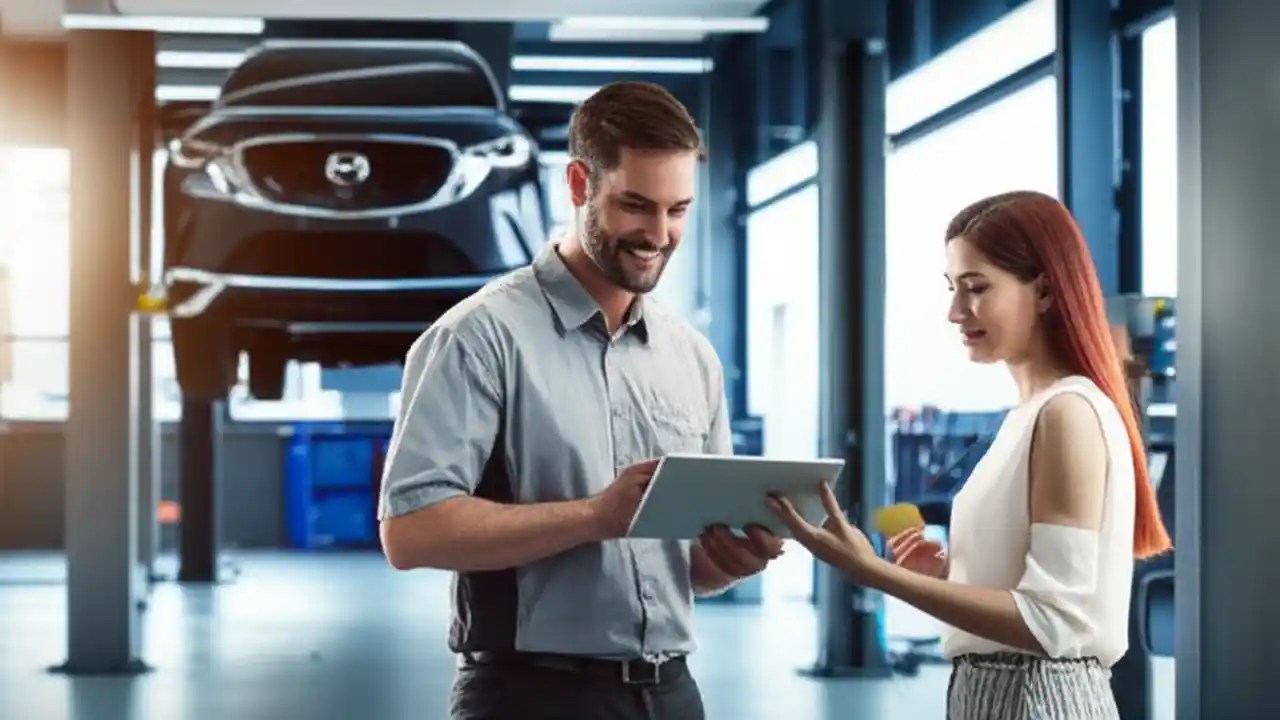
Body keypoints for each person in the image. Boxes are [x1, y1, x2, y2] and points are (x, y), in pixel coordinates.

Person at [377, 81, 784, 720]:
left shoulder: (692, 357)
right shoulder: (479, 337)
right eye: (636, 206)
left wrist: (730, 561)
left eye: (678, 210)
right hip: (530, 697)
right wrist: (595, 516)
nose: (659, 234)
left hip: (672, 694)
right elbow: (410, 531)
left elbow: (690, 569)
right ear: (577, 184)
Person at [770, 190, 1172, 719]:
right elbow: (1030, 603)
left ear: (1045, 291)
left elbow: (1054, 621)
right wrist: (949, 578)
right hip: (996, 693)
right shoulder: (1029, 416)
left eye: (976, 288)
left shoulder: (1067, 414)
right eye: (953, 288)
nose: (955, 312)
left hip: (1037, 698)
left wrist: (875, 572)